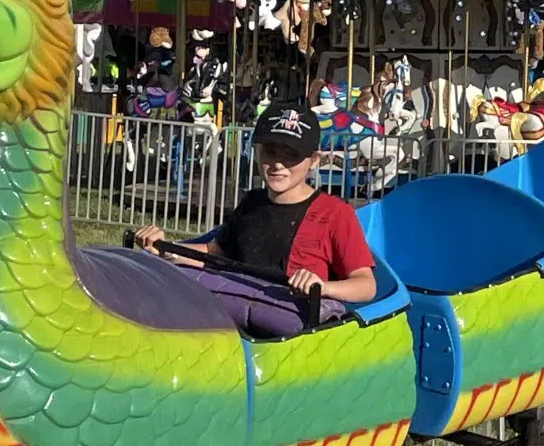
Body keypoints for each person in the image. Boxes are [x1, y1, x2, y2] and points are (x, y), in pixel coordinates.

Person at [133, 103, 377, 338]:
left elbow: (366, 286)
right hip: (233, 326)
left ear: (314, 159)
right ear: (257, 152)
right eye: (270, 152)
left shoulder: (335, 213)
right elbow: (214, 253)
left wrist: (322, 287)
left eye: (291, 155)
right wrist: (165, 250)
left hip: (289, 335)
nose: (278, 164)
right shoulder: (252, 202)